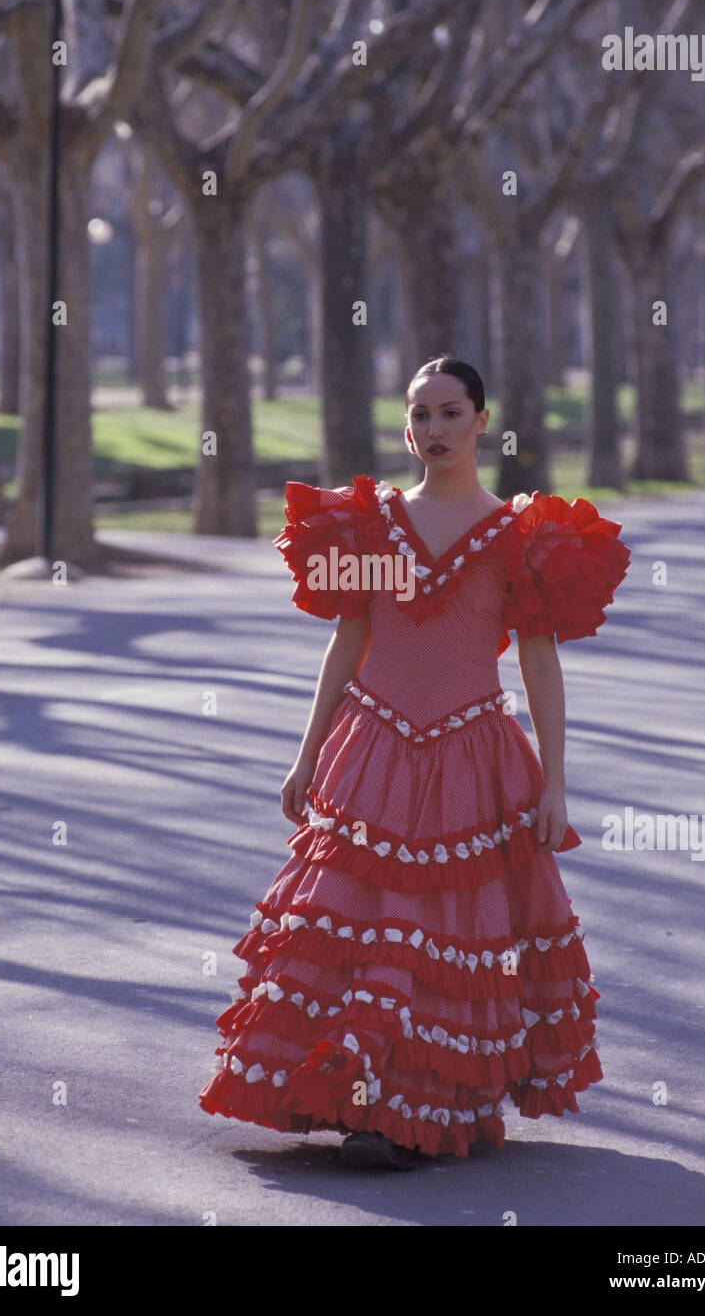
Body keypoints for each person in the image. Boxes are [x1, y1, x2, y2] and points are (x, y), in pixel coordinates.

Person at [198, 354, 631, 1170]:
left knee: (442, 933)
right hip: (373, 749)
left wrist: (556, 782)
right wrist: (305, 756)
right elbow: (348, 641)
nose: (432, 429)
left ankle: (411, 1108)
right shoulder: (368, 523)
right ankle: (346, 1090)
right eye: (419, 413)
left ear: (481, 422)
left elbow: (540, 664)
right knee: (352, 927)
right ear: (406, 425)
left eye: (449, 412)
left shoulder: (525, 536)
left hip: (472, 756)